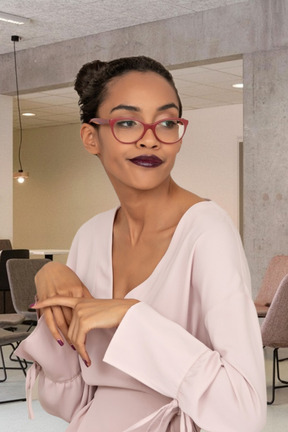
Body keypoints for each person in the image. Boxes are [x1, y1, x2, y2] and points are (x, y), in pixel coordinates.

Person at [16, 56, 267, 432]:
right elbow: (68, 401)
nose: (150, 137)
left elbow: (245, 414)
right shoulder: (90, 235)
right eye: (127, 122)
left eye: (166, 122)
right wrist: (50, 276)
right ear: (90, 137)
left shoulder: (206, 232)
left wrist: (132, 317)